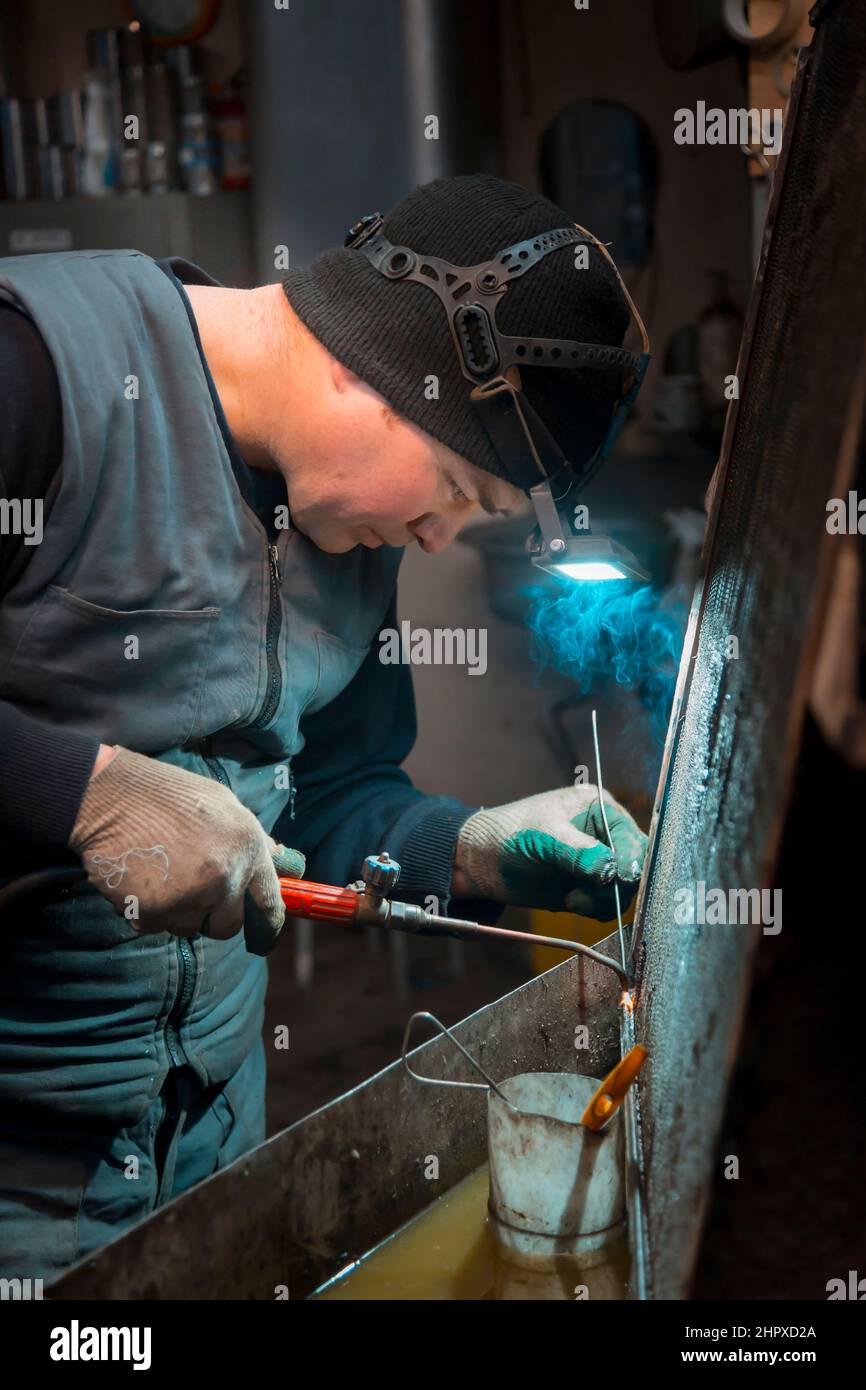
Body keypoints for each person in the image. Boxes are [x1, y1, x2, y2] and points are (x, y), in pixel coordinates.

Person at [0, 173, 647, 1281]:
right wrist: (81, 792)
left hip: (201, 1150)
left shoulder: (350, 531)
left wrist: (476, 842)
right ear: (369, 360)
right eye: (455, 487)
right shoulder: (34, 369)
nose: (439, 539)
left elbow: (338, 793)